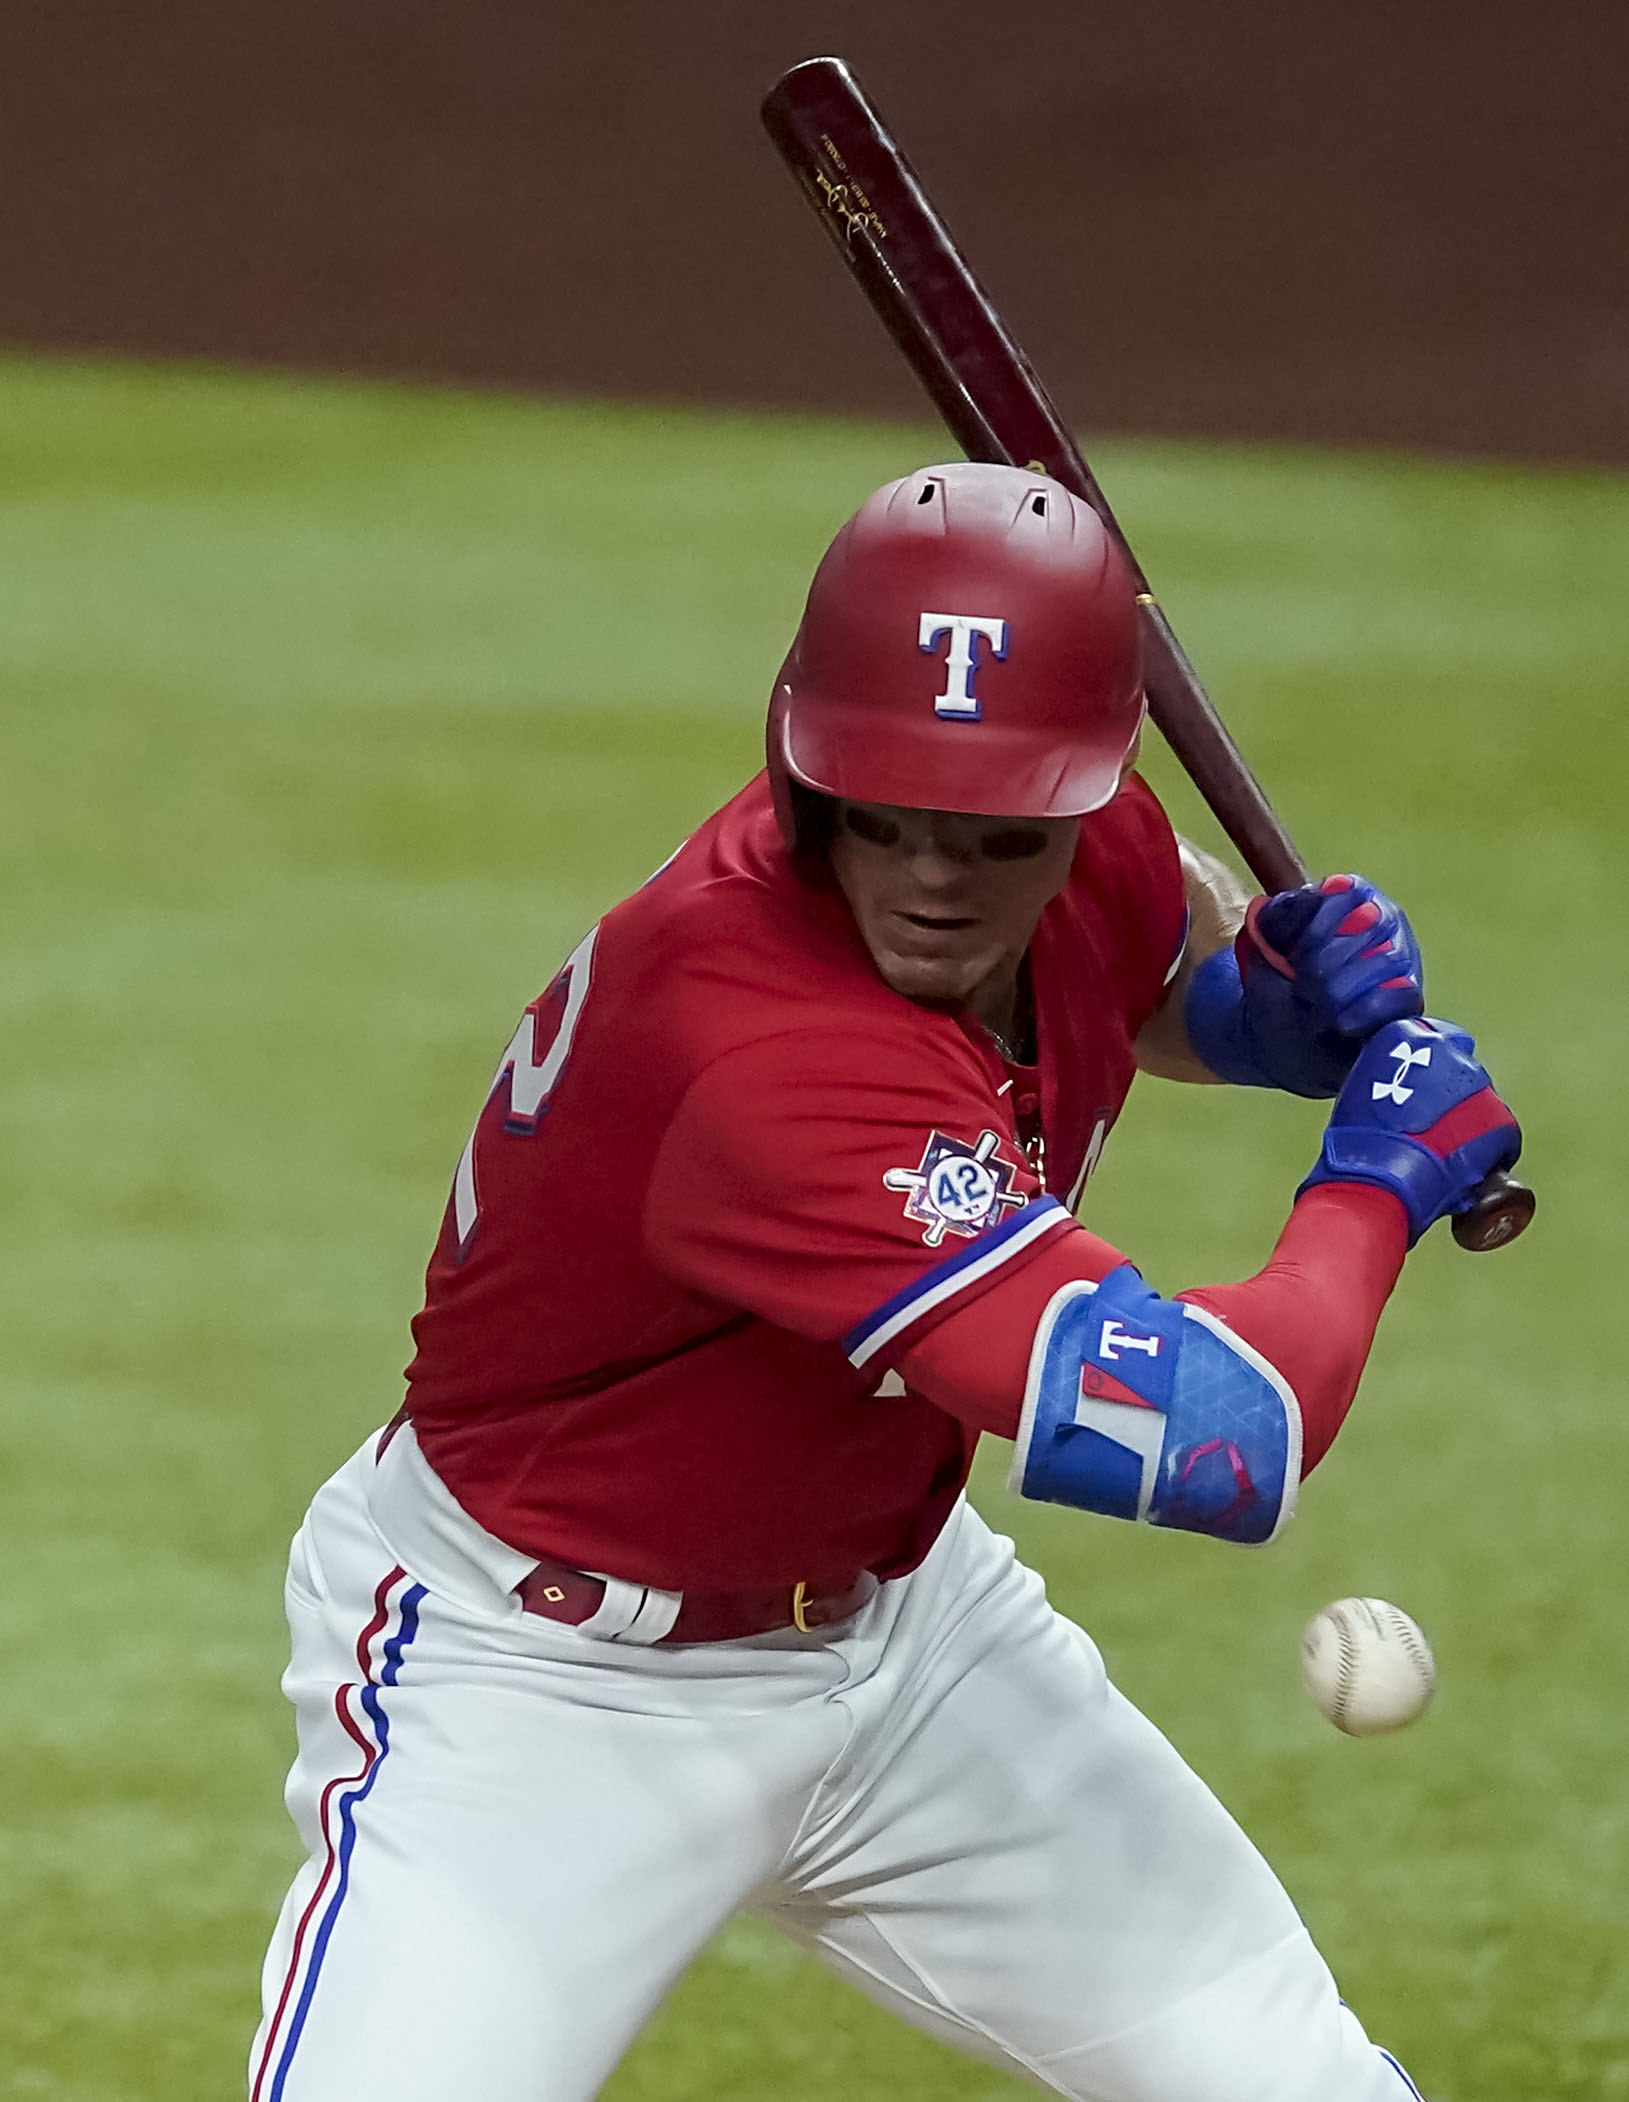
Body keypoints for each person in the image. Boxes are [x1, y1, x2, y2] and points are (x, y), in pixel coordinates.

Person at [249, 462, 1518, 2102]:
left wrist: (1253, 1017)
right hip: (542, 1690)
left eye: (994, 835)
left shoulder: (1097, 847)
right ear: (805, 772)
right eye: (881, 815)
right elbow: (1216, 1441)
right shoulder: (756, 1051)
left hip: (909, 1639)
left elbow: (1137, 965)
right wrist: (1372, 1177)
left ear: (1077, 805)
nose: (930, 873)